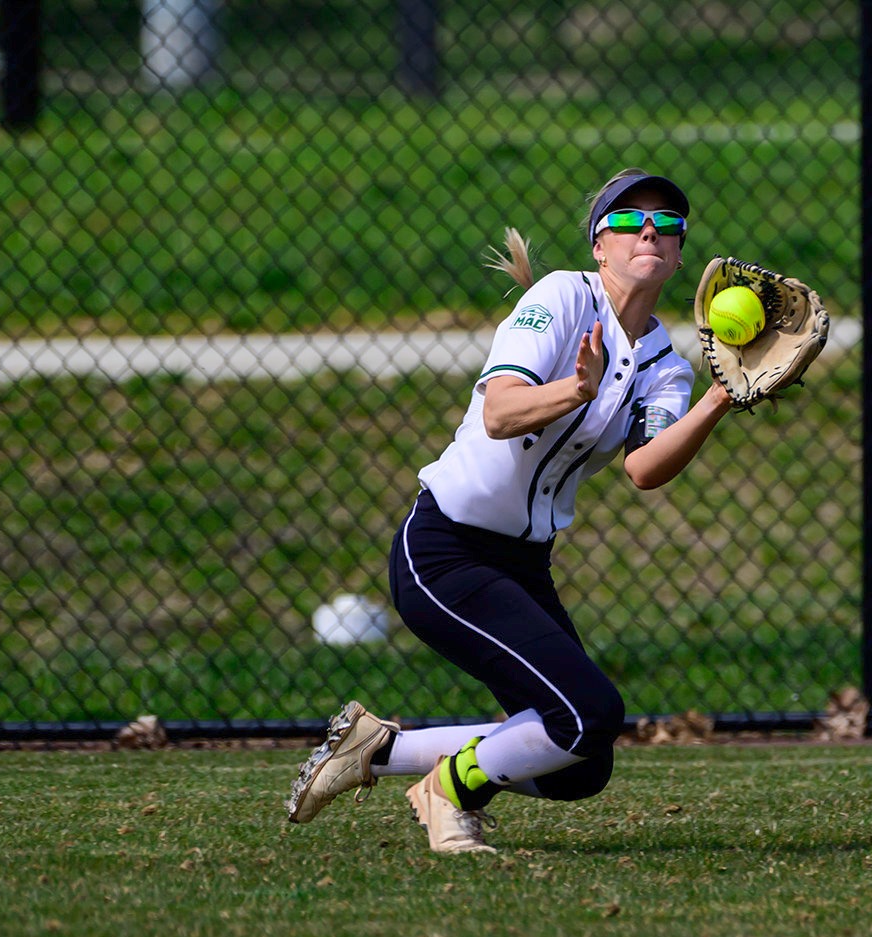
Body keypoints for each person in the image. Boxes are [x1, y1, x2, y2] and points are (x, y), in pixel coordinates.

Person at [286, 169, 735, 853]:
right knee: (591, 714)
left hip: (522, 565)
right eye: (627, 220)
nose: (649, 230)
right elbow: (498, 412)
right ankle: (446, 793)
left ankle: (376, 750)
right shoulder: (560, 297)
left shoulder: (663, 363)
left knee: (582, 765)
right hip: (444, 552)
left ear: (677, 254)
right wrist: (572, 391)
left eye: (667, 223)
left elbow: (645, 469)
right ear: (598, 246)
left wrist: (720, 398)